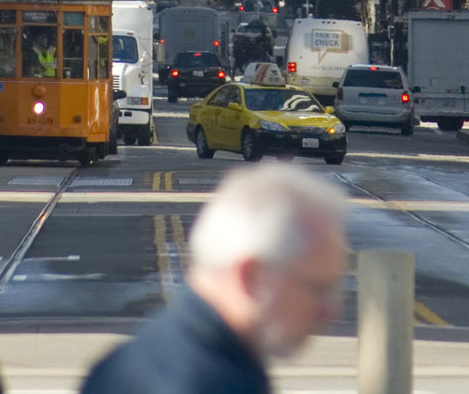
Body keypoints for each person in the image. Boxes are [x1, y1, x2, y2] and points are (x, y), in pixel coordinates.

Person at [81, 164, 348, 394]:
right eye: (317, 288)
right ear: (250, 277)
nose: (330, 311)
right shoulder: (212, 382)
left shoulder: (125, 362)